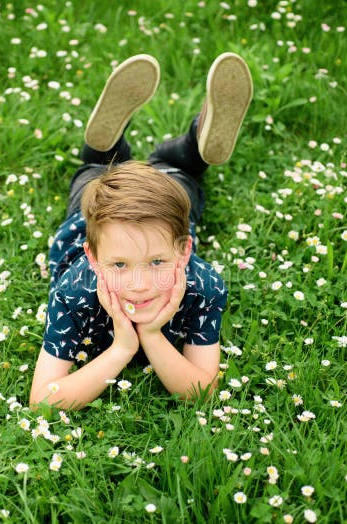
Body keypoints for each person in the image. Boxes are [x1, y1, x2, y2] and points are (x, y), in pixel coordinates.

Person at [29, 52, 253, 409]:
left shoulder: (203, 285)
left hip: (162, 215)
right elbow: (42, 402)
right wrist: (121, 349)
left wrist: (151, 335)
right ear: (94, 258)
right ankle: (166, 143)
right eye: (119, 265)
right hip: (89, 222)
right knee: (145, 174)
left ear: (185, 251)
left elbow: (204, 392)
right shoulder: (76, 291)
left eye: (157, 262)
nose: (140, 283)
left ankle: (129, 143)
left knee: (136, 173)